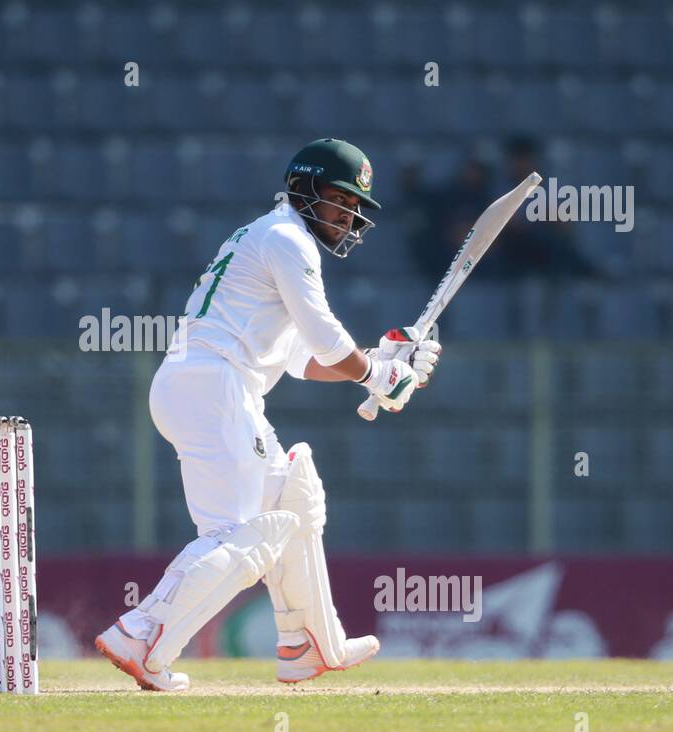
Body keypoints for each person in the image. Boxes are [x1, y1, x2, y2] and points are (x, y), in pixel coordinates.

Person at [95, 139, 442, 691]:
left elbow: (303, 359)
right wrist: (380, 376)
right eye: (337, 200)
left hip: (208, 386)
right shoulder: (287, 240)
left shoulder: (271, 236)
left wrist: (380, 361)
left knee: (294, 495)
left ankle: (307, 644)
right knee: (241, 537)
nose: (347, 216)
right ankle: (142, 636)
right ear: (303, 188)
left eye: (354, 207)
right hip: (215, 387)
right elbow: (328, 341)